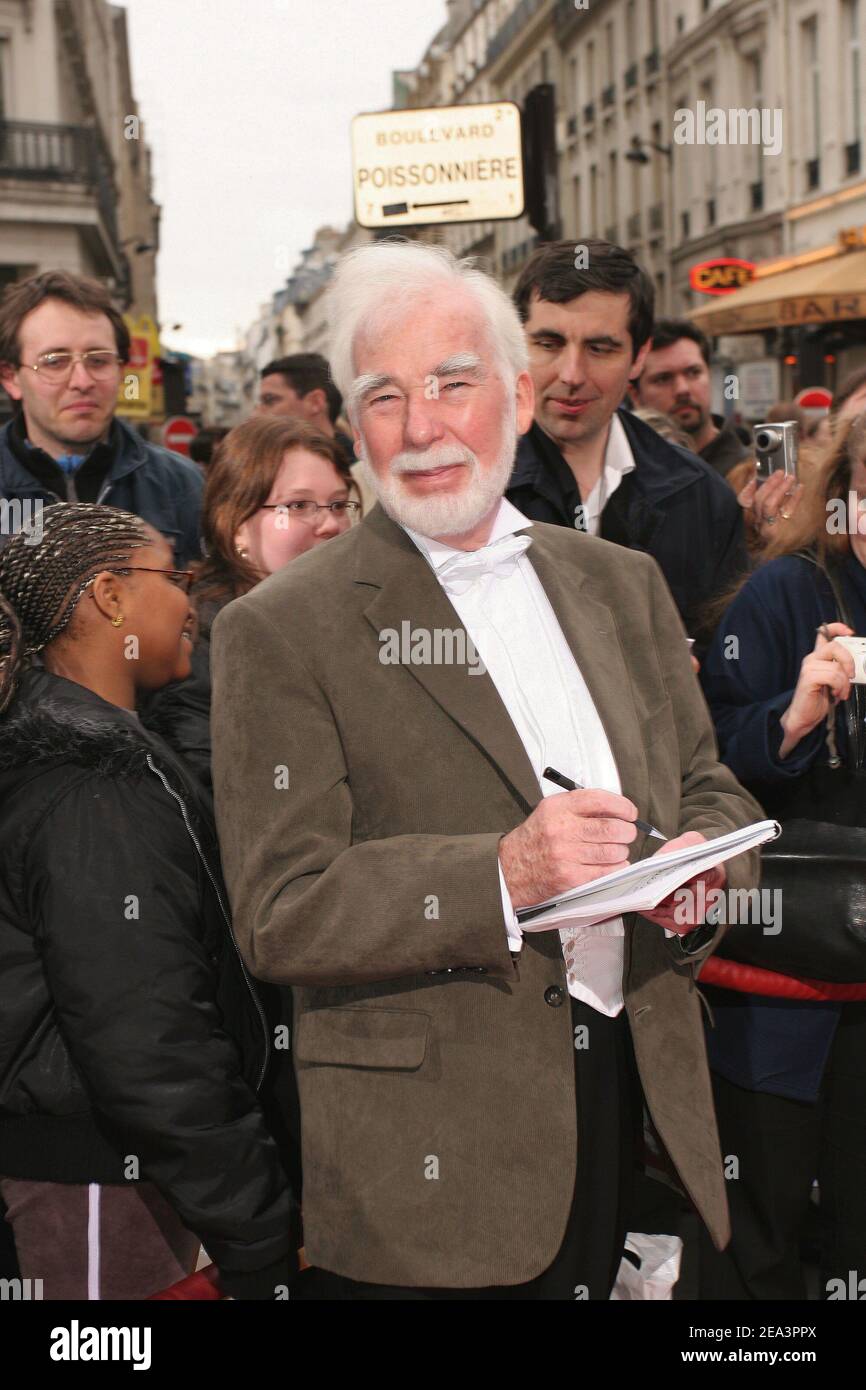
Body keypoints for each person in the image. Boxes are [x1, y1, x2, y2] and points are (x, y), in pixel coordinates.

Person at [209, 238, 762, 1301]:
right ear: (350, 425)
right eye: (384, 395)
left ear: (514, 396)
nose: (420, 428)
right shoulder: (280, 630)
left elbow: (709, 785)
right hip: (434, 1168)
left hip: (634, 1102)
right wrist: (500, 874)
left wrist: (704, 874)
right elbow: (279, 909)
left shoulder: (622, 583)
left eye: (452, 384)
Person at [0, 503, 299, 1300]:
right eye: (174, 578)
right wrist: (256, 1223)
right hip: (101, 1186)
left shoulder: (64, 741)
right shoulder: (95, 781)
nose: (189, 603)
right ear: (109, 597)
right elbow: (147, 1038)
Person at [699, 415, 866, 1299]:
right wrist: (795, 715)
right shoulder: (783, 595)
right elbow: (708, 767)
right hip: (784, 971)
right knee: (760, 1224)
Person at [505, 241, 747, 646]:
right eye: (549, 344)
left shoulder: (703, 499)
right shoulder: (468, 488)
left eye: (600, 349)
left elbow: (729, 684)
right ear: (515, 345)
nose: (572, 374)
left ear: (639, 357)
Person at [142, 415, 359, 789]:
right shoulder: (198, 634)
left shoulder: (358, 614)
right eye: (299, 505)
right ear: (237, 524)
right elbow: (208, 781)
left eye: (338, 505)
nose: (330, 525)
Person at [0, 271, 203, 565]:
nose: (82, 381)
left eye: (98, 360)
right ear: (11, 378)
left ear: (121, 369)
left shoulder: (182, 485)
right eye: (55, 362)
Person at [631, 318, 749, 477]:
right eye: (663, 379)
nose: (682, 389)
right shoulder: (623, 474)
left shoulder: (748, 476)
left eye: (693, 372)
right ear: (635, 395)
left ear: (709, 375)